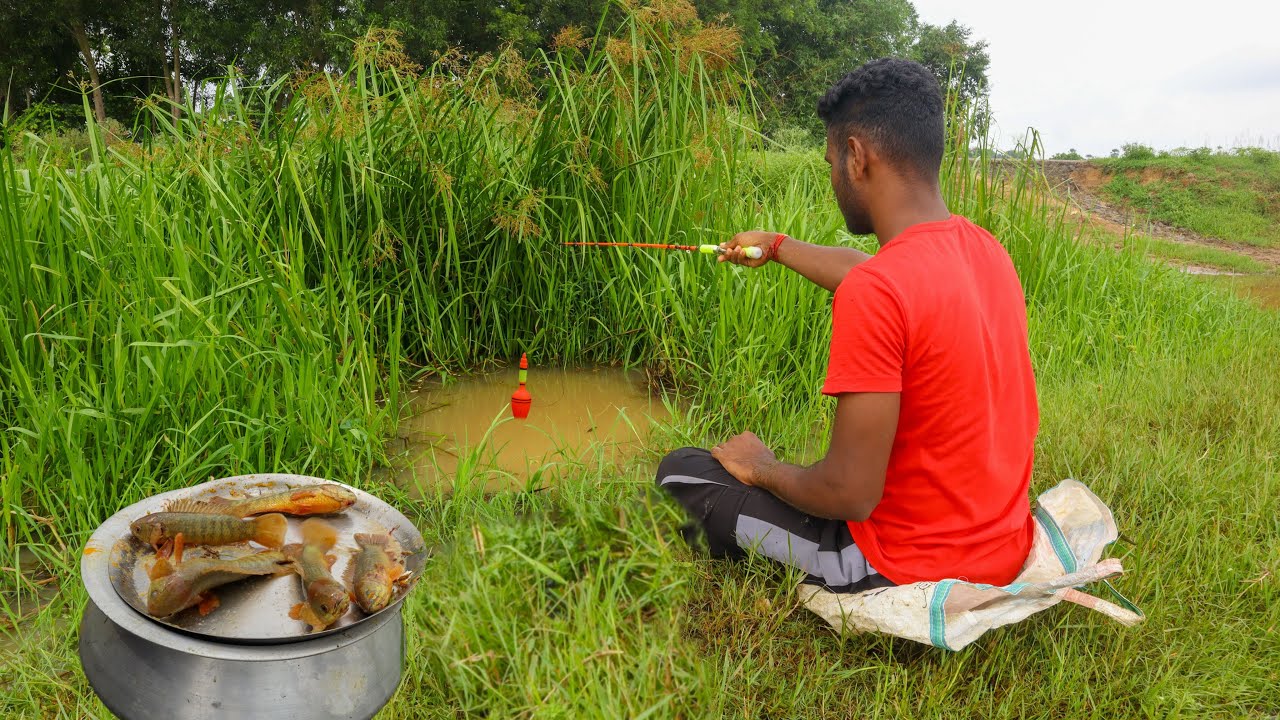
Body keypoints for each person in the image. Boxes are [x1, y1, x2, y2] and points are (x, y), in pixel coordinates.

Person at [655, 58, 1038, 593]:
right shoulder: (984, 248)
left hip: (906, 565)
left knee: (683, 473)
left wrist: (761, 465)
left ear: (857, 158)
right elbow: (871, 274)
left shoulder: (877, 292)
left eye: (832, 160)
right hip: (1003, 546)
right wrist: (779, 247)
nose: (834, 173)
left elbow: (848, 494)